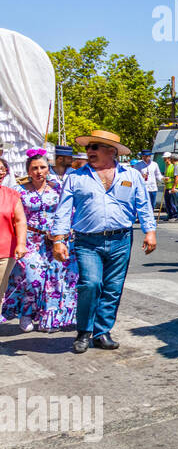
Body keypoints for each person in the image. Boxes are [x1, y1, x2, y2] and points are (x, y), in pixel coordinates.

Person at [48, 129, 157, 354]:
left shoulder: (131, 175)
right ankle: (84, 332)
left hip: (121, 239)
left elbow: (143, 205)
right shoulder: (76, 177)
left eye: (94, 147)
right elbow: (63, 210)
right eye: (88, 147)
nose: (89, 151)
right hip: (88, 241)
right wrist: (58, 239)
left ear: (111, 151)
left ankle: (102, 332)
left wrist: (150, 231)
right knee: (91, 284)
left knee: (112, 288)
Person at [2, 150, 79, 333]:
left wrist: (65, 231)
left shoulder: (59, 188)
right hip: (31, 240)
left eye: (42, 167)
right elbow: (15, 217)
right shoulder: (18, 192)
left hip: (56, 240)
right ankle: (26, 313)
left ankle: (49, 318)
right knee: (33, 277)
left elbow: (69, 211)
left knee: (55, 279)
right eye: (34, 168)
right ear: (28, 171)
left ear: (48, 169)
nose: (39, 171)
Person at [0, 163, 27, 323]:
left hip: (3, 252)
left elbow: (20, 220)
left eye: (2, 169)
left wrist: (21, 243)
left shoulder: (12, 195)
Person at [134, 151, 163, 215]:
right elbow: (134, 176)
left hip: (153, 188)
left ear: (150, 156)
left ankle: (150, 217)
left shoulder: (154, 164)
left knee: (152, 204)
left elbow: (158, 175)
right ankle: (141, 217)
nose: (145, 157)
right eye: (144, 156)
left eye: (147, 156)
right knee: (142, 204)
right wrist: (141, 176)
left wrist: (163, 179)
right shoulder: (138, 165)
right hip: (142, 188)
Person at [161, 152, 178, 221]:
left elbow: (177, 177)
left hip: (177, 186)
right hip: (172, 186)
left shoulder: (176, 165)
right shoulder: (173, 165)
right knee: (176, 202)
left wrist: (173, 187)